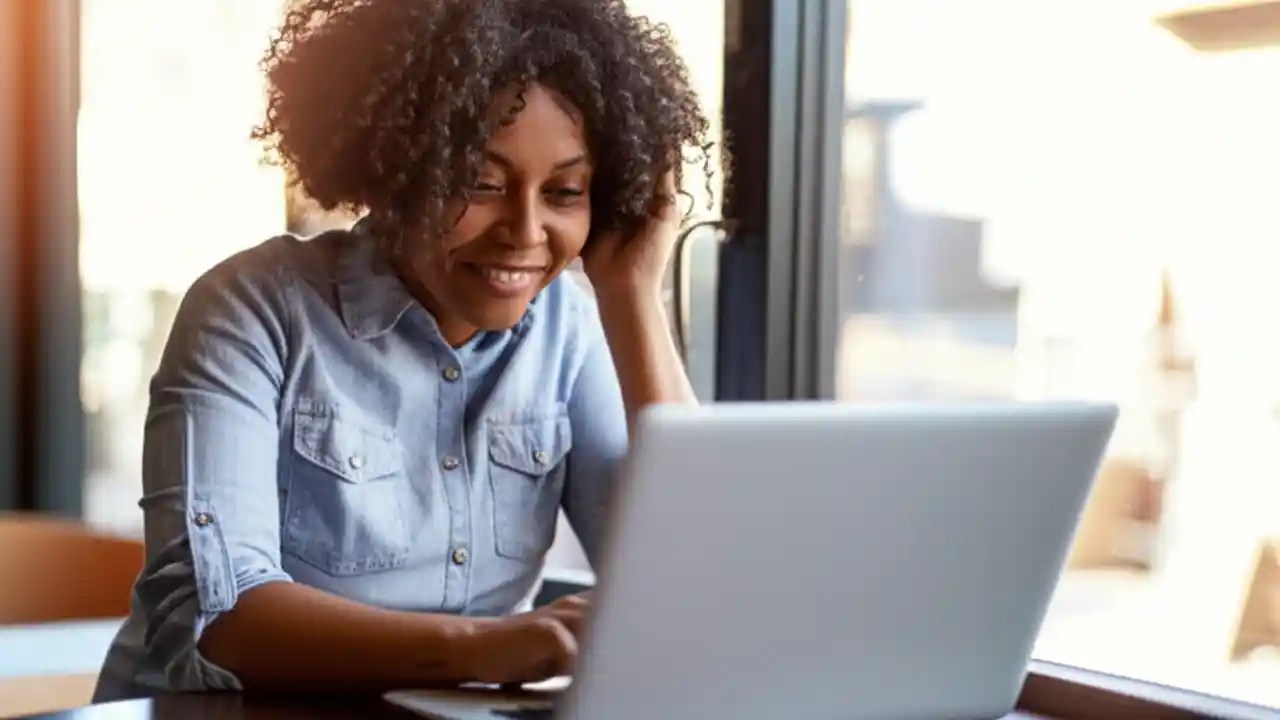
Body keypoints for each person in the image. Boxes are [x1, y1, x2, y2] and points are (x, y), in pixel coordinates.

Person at [95, 0, 714, 699]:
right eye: (481, 183)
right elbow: (225, 618)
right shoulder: (252, 309)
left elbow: (696, 586)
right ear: (396, 168)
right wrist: (483, 649)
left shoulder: (571, 330)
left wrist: (631, 294)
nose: (526, 229)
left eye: (565, 192)